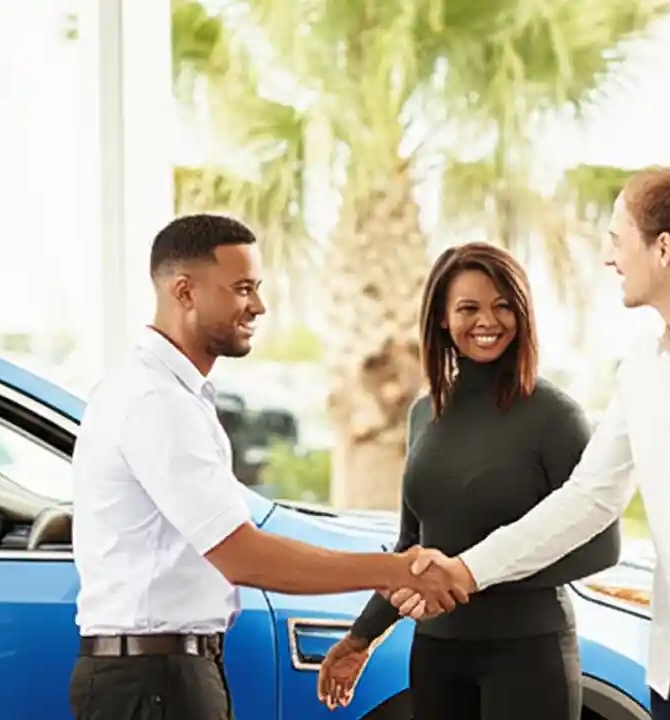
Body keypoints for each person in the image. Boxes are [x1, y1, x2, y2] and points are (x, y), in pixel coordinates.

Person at [390, 167, 670, 719]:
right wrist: (465, 571)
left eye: (618, 240)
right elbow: (588, 498)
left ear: (663, 249)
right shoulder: (642, 366)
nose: (608, 258)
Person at [67, 213, 466, 720]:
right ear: (185, 292)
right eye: (242, 289)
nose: (259, 306)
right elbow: (242, 556)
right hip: (155, 683)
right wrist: (392, 569)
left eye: (256, 288)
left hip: (160, 676)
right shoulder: (156, 400)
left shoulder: (160, 393)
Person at [316, 242, 620, 719]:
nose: (487, 321)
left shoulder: (554, 415)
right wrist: (361, 638)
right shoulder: (425, 412)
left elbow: (602, 546)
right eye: (469, 308)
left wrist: (469, 579)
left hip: (528, 655)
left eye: (503, 306)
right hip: (436, 654)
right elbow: (412, 544)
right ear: (442, 317)